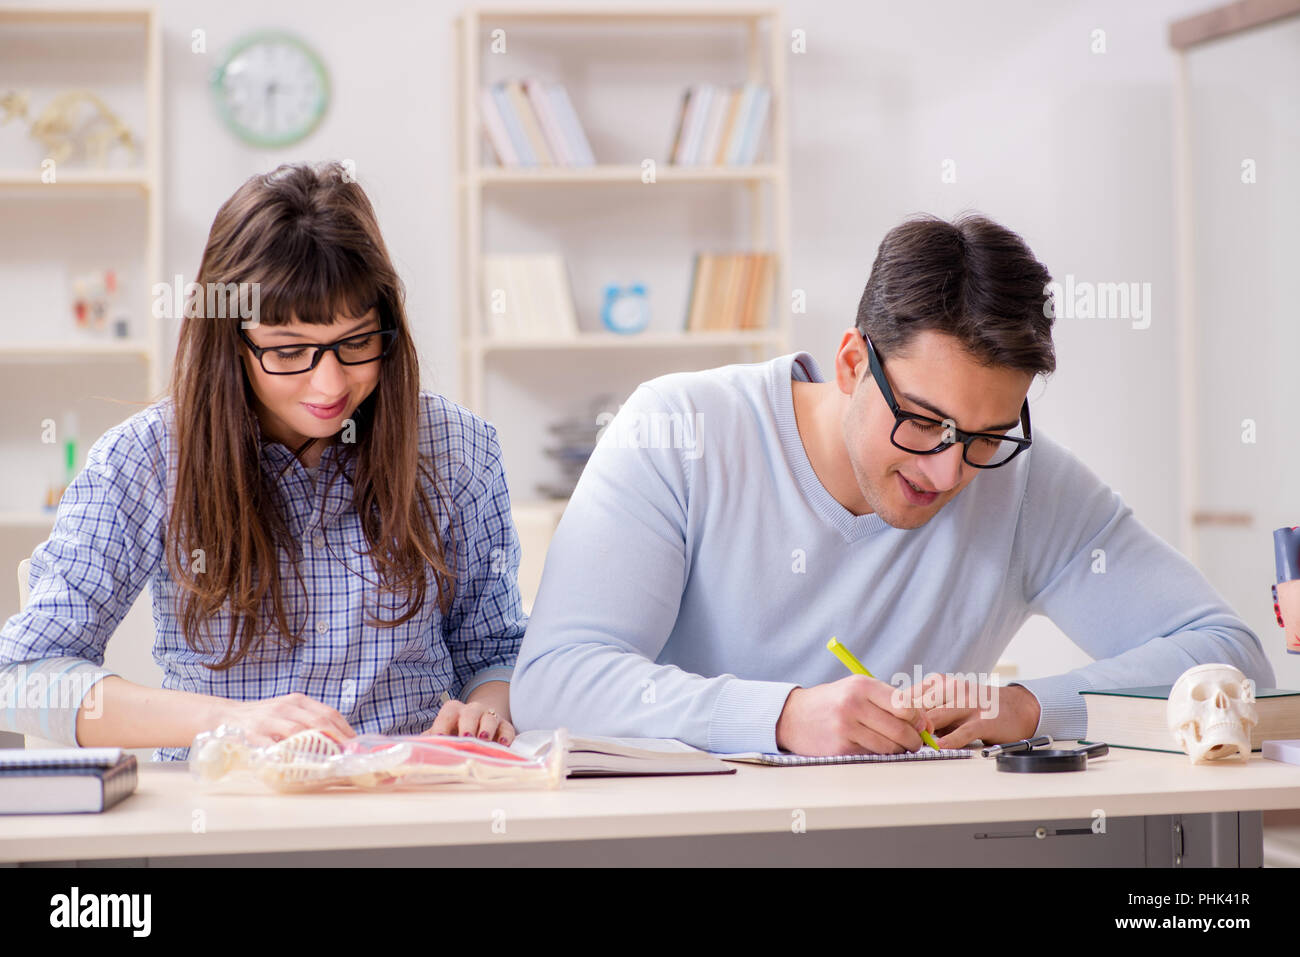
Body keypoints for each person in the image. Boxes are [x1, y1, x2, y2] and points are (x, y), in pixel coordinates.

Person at [511, 212, 1275, 755]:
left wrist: (1029, 705)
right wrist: (780, 715)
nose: (948, 471)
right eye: (923, 420)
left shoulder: (1026, 484)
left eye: (984, 437)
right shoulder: (680, 430)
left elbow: (1231, 657)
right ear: (851, 361)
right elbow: (554, 684)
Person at [0, 162, 525, 760]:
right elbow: (25, 675)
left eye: (356, 343)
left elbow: (496, 650)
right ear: (230, 339)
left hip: (413, 809)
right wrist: (227, 720)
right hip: (224, 821)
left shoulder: (457, 449)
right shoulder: (145, 459)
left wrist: (485, 709)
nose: (330, 385)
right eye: (288, 351)